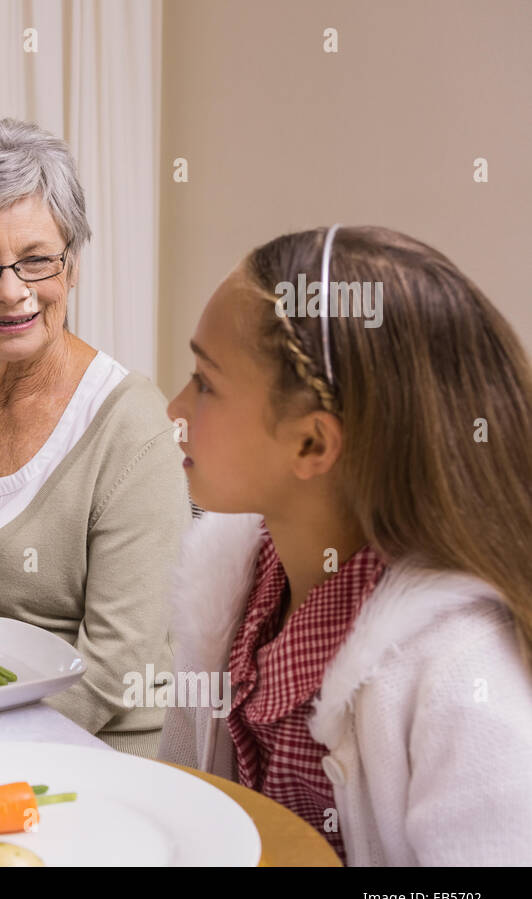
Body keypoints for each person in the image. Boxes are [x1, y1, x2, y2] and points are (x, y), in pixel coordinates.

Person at [159, 225, 532, 865]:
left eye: (205, 382)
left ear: (312, 444)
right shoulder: (232, 597)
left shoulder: (463, 677)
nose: (174, 408)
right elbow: (183, 810)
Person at [0, 118, 189, 756]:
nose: (11, 292)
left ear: (71, 266)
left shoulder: (134, 427)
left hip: (104, 762)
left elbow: (115, 666)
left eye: (35, 259)